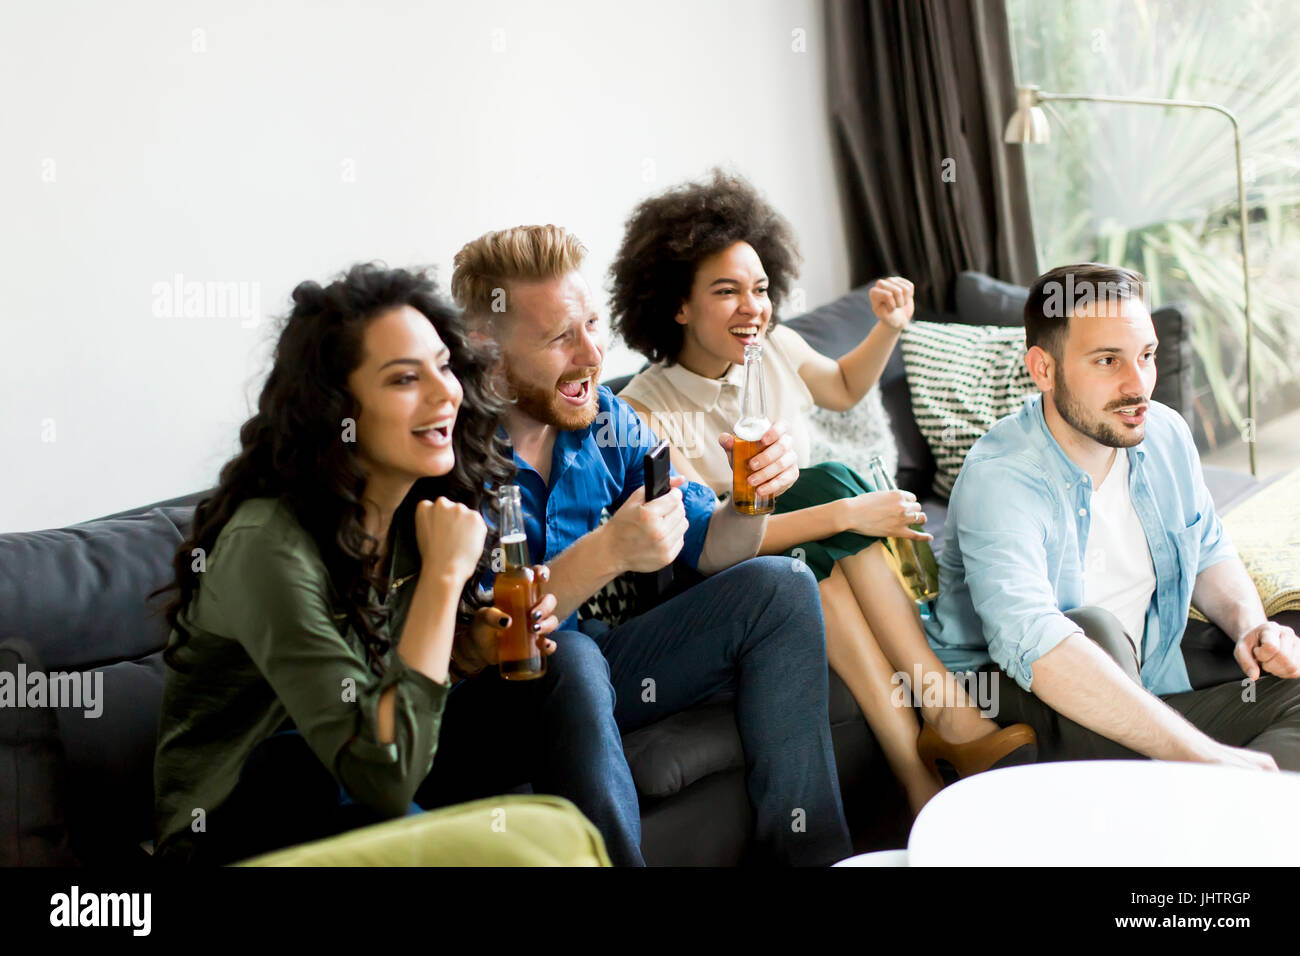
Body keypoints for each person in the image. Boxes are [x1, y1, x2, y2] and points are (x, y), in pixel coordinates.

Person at [609, 171, 1034, 815]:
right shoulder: (643, 409)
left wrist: (889, 328)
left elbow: (839, 387)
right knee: (827, 485)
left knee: (814, 562)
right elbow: (702, 548)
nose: (753, 307)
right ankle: (946, 709)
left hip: (801, 567)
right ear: (677, 306)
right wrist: (852, 510)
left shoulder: (772, 345)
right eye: (727, 292)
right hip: (716, 588)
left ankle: (917, 781)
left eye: (758, 288)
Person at [448, 223, 852, 866]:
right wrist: (609, 551)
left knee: (781, 585)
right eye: (560, 337)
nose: (590, 355)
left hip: (584, 681)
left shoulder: (603, 420)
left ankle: (810, 856)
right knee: (572, 656)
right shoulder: (445, 451)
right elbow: (479, 647)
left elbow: (715, 548)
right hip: (477, 708)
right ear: (486, 352)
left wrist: (750, 498)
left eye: (592, 326)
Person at [152, 264, 564, 864]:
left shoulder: (412, 517)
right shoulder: (266, 545)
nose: (444, 392)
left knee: (566, 667)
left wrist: (465, 653)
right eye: (403, 379)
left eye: (444, 366)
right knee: (298, 764)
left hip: (369, 781)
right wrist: (445, 580)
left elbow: (393, 699)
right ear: (336, 410)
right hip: (244, 825)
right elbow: (383, 773)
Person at [926, 262, 1300, 768]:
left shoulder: (1164, 433)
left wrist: (1252, 628)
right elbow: (1039, 645)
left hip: (1150, 678)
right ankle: (1204, 794)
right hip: (1019, 699)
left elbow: (1208, 548)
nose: (1138, 384)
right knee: (1093, 631)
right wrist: (1203, 754)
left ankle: (1235, 816)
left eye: (1146, 356)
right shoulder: (1001, 478)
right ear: (1043, 369)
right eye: (1107, 361)